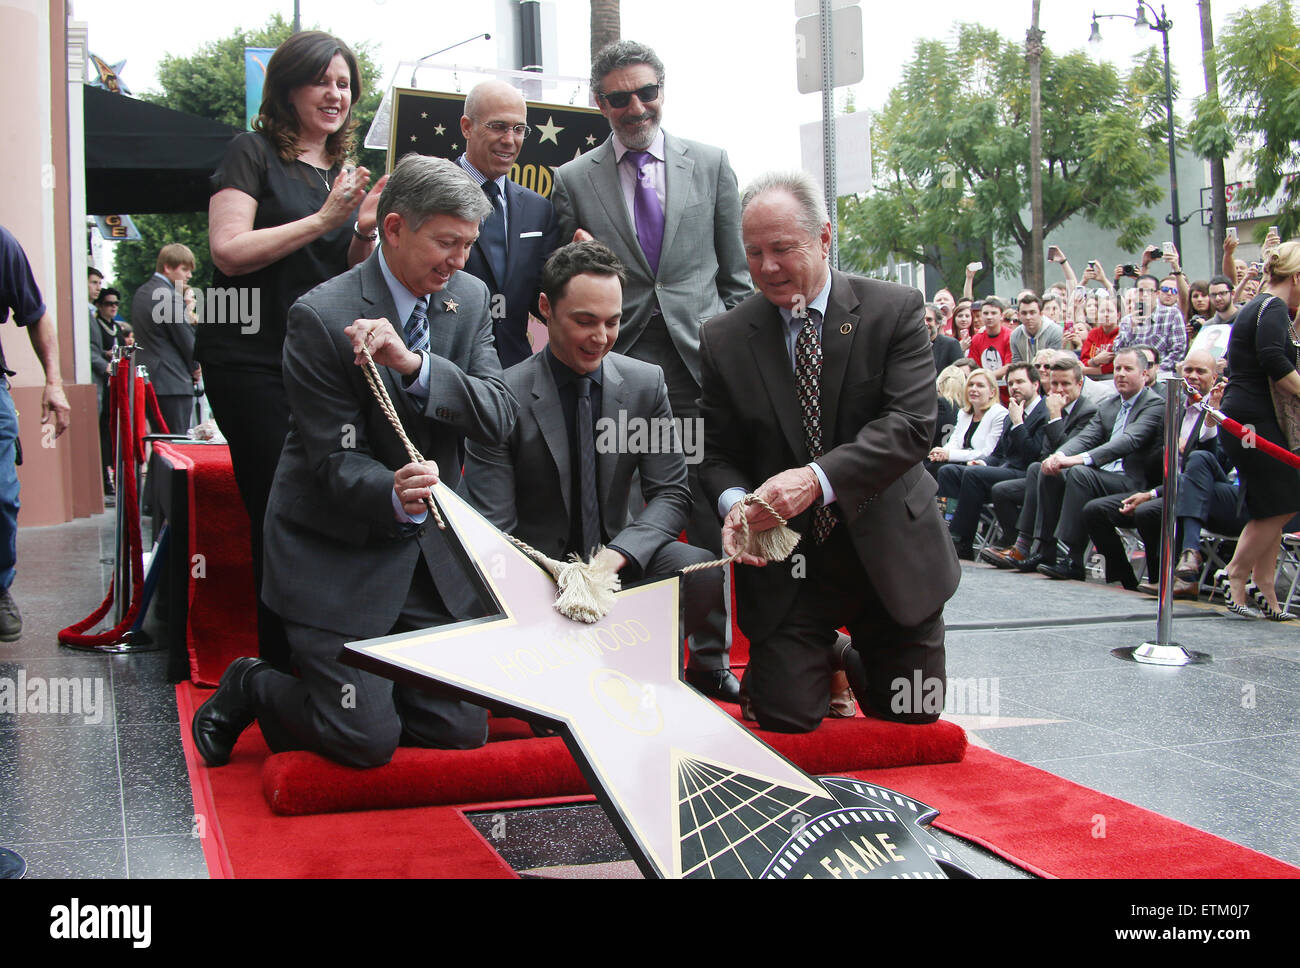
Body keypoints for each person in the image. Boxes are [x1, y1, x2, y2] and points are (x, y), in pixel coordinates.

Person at [191, 154, 515, 769]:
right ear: (393, 228)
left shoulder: (468, 299)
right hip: (337, 552)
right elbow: (333, 460)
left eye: (469, 245)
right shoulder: (322, 314)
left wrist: (415, 368)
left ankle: (375, 684)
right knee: (364, 742)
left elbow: (497, 414)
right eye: (446, 243)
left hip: (425, 563)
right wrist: (393, 491)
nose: (459, 262)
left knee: (458, 733)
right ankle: (254, 683)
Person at [699, 171, 958, 734]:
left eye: (782, 249)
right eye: (754, 253)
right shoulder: (724, 337)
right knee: (784, 719)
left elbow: (912, 426)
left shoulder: (894, 310)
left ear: (823, 238)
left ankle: (844, 657)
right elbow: (713, 451)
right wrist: (739, 505)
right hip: (790, 564)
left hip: (889, 550)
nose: (767, 268)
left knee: (914, 711)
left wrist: (813, 480)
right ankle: (817, 660)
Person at [462, 241, 735, 699]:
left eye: (613, 322)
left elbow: (671, 493)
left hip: (617, 563)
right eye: (585, 321)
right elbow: (496, 529)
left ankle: (673, 670)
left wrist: (617, 557)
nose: (601, 338)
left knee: (701, 567)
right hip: (538, 575)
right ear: (546, 309)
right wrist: (561, 581)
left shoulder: (646, 385)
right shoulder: (503, 396)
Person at [202, 31, 387, 672]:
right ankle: (277, 673)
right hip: (251, 361)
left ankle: (325, 662)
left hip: (317, 364)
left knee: (324, 502)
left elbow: (342, 269)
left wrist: (362, 234)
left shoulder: (341, 174)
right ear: (288, 89)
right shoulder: (250, 153)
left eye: (344, 83)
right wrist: (324, 220)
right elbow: (228, 251)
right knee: (277, 507)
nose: (335, 94)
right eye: (322, 81)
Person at [552, 39, 750, 564]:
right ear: (600, 103)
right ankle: (631, 625)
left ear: (662, 90)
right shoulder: (572, 180)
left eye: (647, 92)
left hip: (699, 365)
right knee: (621, 500)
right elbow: (553, 285)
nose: (636, 107)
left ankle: (712, 628)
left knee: (708, 497)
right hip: (617, 361)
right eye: (620, 99)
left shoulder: (710, 164)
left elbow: (737, 277)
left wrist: (730, 350)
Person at [1084, 350, 1237, 594]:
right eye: (1188, 370)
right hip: (1160, 486)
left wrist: (1209, 426)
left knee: (1150, 510)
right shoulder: (1171, 408)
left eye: (1201, 371)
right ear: (1178, 374)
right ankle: (1126, 580)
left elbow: (1216, 464)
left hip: (1201, 493)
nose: (1193, 376)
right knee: (1096, 510)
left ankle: (1165, 578)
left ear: (1216, 376)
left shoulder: (1224, 410)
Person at [1216, 241, 1300, 620]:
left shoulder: (1260, 306)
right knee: (1286, 496)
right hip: (1249, 419)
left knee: (1271, 502)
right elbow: (1273, 358)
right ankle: (1235, 572)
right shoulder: (1273, 306)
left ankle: (1263, 585)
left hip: (1246, 416)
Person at [0, 225, 72, 640]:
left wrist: (55, 382)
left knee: (2, 496)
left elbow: (36, 313)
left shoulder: (2, 244)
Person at [456, 80, 560, 368]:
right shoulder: (430, 194)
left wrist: (575, 271)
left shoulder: (539, 210)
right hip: (447, 366)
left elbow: (544, 298)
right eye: (498, 126)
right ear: (467, 127)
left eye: (518, 129)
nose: (510, 139)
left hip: (514, 372)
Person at [981, 354, 1098, 568]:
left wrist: (1055, 418)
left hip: (1076, 478)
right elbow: (1044, 454)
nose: (1059, 389)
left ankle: (1028, 546)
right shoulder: (1051, 408)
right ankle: (1026, 545)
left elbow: (1070, 450)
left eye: (1065, 383)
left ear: (1079, 384)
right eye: (1054, 383)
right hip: (1047, 474)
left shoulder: (1088, 411)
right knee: (1018, 480)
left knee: (1036, 470)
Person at [939, 362, 1046, 560]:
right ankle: (945, 531)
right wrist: (986, 463)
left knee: (972, 475)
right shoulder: (1014, 410)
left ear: (1036, 384)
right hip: (1003, 468)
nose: (1014, 387)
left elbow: (1033, 454)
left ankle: (961, 540)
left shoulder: (1043, 412)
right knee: (949, 471)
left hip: (1027, 472)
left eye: (1020, 382)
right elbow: (998, 453)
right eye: (1011, 383)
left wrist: (1018, 423)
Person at [131, 243, 200, 436]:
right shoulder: (168, 296)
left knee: (160, 443)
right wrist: (196, 366)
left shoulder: (142, 293)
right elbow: (185, 338)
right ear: (168, 267)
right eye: (184, 269)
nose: (189, 275)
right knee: (176, 444)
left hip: (150, 379)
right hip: (172, 382)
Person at [925, 367, 1006, 475]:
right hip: (962, 462)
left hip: (982, 465)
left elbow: (987, 452)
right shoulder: (964, 413)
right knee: (932, 465)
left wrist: (949, 454)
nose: (973, 389)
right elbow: (954, 442)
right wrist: (941, 453)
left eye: (980, 385)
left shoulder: (999, 413)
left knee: (946, 471)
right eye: (970, 385)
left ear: (992, 392)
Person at [1113, 274, 1186, 380]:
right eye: (1141, 291)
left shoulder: (1172, 314)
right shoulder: (1127, 320)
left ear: (1157, 293)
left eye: (1149, 291)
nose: (1145, 295)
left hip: (1162, 376)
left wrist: (1154, 371)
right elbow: (1117, 351)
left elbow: (1178, 350)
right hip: (1133, 377)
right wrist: (1131, 329)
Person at [91, 288, 122, 496]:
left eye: (116, 303)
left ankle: (115, 476)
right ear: (100, 305)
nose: (113, 307)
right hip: (103, 383)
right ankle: (105, 478)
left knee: (115, 431)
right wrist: (105, 356)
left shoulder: (117, 328)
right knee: (103, 432)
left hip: (117, 386)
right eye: (109, 303)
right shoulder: (95, 324)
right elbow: (92, 352)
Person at [1009, 293, 1062, 365]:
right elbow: (1017, 364)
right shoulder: (1015, 335)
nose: (1028, 317)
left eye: (1032, 313)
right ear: (1018, 315)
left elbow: (1055, 364)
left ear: (1041, 314)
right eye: (1024, 313)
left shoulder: (1056, 332)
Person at [927, 302, 964, 374]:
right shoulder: (911, 346)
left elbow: (959, 374)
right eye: (922, 320)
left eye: (929, 319)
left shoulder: (951, 344)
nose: (925, 323)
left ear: (937, 323)